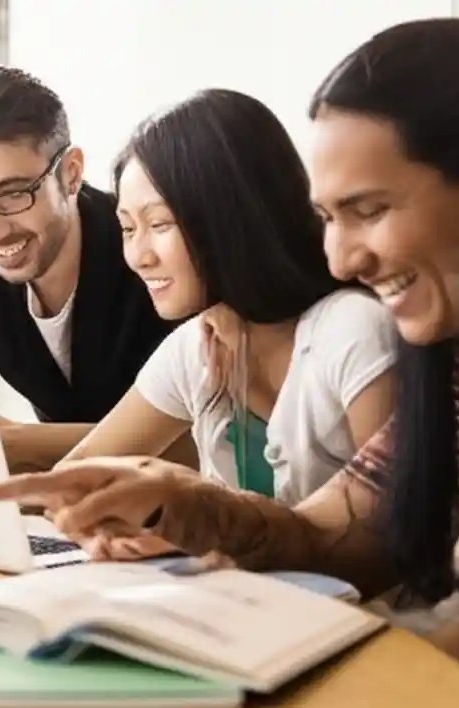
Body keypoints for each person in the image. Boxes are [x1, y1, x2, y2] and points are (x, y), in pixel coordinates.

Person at [0, 19, 459, 708]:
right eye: (330, 217)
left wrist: (434, 681)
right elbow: (341, 538)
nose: (341, 260)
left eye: (369, 210)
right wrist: (184, 505)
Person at [52, 89, 396, 518]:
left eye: (159, 224)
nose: (139, 255)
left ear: (227, 216)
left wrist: (189, 508)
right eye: (127, 228)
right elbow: (72, 481)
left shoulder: (353, 328)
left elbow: (387, 537)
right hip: (240, 587)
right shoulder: (196, 346)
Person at [0, 66, 181, 471]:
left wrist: (17, 441)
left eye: (13, 194)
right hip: (63, 510)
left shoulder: (150, 254)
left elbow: (202, 440)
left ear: (71, 173)